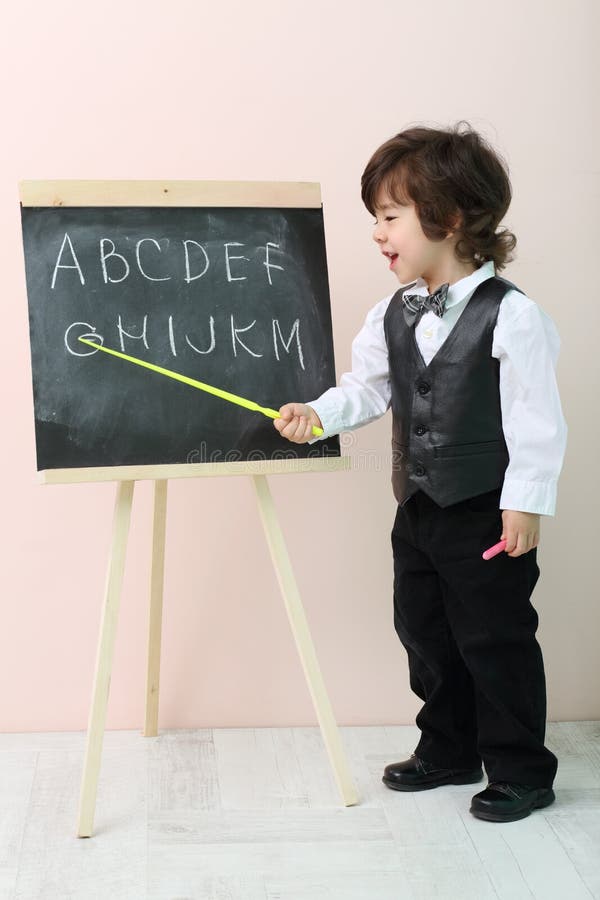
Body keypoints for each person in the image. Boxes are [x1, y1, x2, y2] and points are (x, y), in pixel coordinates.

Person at [273, 121, 568, 824]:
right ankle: (449, 747)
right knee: (425, 630)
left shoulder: (513, 317)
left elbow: (536, 420)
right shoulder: (392, 313)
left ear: (452, 217)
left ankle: (522, 770)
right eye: (375, 217)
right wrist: (317, 415)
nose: (378, 233)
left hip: (487, 514)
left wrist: (524, 505)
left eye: (390, 216)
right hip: (420, 508)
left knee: (493, 639)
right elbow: (369, 389)